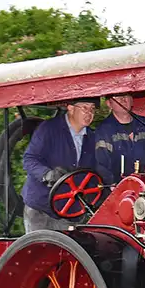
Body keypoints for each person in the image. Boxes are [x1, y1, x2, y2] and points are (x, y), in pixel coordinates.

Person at [20, 98, 100, 232]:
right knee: (39, 250)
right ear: (70, 108)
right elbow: (29, 159)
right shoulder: (48, 129)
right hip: (41, 209)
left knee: (67, 252)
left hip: (69, 211)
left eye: (92, 109)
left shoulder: (92, 138)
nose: (89, 113)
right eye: (85, 108)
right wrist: (47, 174)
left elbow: (94, 172)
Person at [94, 92, 145, 184]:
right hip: (117, 191)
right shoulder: (104, 130)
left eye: (126, 95)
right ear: (109, 103)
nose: (123, 99)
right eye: (118, 97)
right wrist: (112, 185)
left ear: (132, 100)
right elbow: (101, 164)